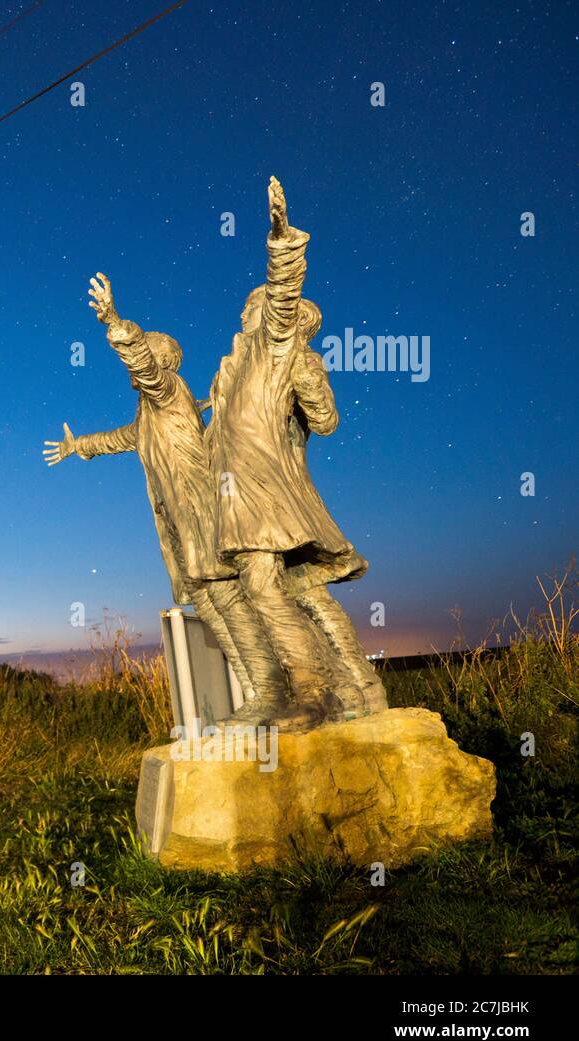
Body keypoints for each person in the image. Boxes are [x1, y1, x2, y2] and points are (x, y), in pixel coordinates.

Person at [44, 273, 287, 718]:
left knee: (227, 598)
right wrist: (78, 445)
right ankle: (258, 695)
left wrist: (115, 322)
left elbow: (143, 368)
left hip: (199, 512)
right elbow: (123, 437)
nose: (142, 368)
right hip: (177, 519)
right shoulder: (150, 412)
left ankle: (272, 692)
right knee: (210, 604)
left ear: (163, 358)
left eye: (150, 350)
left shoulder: (168, 391)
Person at [205, 178, 385, 722]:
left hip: (271, 492)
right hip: (244, 494)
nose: (244, 316)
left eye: (250, 308)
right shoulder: (232, 369)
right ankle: (360, 689)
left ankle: (314, 693)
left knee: (265, 584)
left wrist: (281, 244)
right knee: (303, 590)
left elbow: (326, 421)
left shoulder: (277, 350)